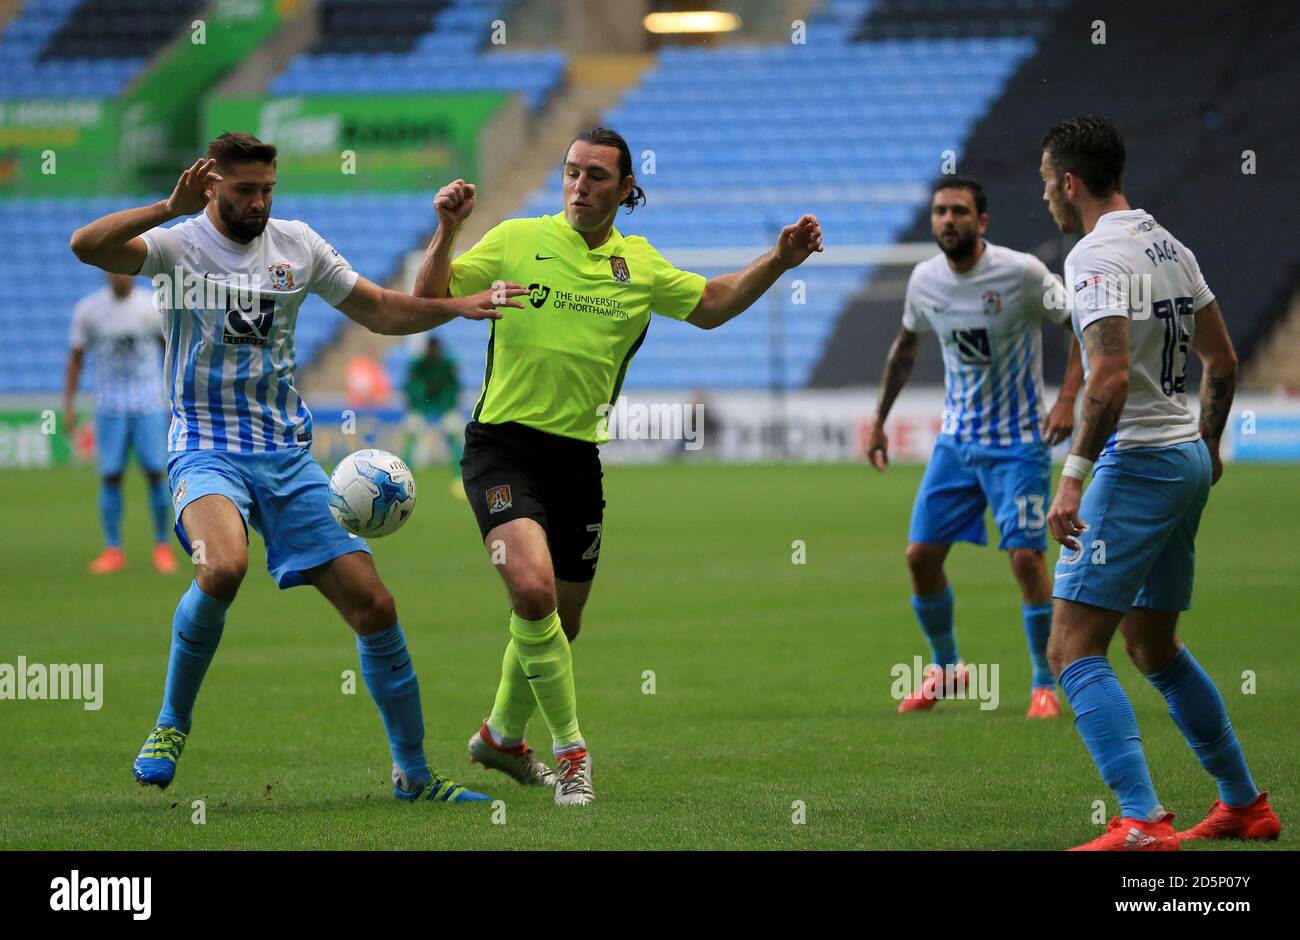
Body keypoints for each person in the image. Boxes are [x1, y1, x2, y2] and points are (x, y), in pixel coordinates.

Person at [69, 131, 527, 804]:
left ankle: (414, 776)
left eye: (267, 190)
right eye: (245, 190)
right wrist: (166, 208)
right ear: (212, 185)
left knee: (374, 605)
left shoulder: (298, 245)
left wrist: (459, 306)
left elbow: (380, 310)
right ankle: (171, 722)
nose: (258, 202)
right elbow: (88, 245)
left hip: (285, 454)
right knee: (222, 567)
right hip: (205, 448)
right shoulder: (178, 245)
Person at [413, 126, 823, 805]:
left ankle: (500, 736)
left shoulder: (639, 267)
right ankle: (572, 751)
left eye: (596, 176)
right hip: (502, 447)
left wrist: (777, 260)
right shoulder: (517, 238)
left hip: (576, 459)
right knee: (534, 594)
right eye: (572, 171)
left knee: (559, 626)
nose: (579, 185)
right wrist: (447, 230)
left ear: (626, 187)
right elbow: (430, 299)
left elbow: (713, 304)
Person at [1038, 115, 1280, 850]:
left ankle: (1142, 822)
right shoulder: (1169, 245)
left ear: (1071, 181)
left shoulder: (1094, 257)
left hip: (1136, 461)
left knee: (1073, 650)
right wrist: (1206, 447)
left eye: (1048, 181)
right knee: (1154, 647)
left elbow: (1108, 377)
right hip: (1181, 460)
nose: (1047, 193)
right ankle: (1243, 803)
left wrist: (1073, 478)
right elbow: (1225, 359)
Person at [866, 177, 1083, 718]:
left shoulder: (1023, 272)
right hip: (956, 442)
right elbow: (905, 350)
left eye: (959, 211)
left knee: (1027, 560)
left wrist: (1067, 401)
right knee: (920, 557)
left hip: (1019, 444)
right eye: (940, 211)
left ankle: (1043, 683)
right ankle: (947, 668)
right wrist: (878, 420)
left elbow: (1081, 325)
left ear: (981, 221)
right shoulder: (924, 280)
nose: (947, 220)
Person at [64, 272, 177, 574]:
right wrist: (69, 404)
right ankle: (113, 549)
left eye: (124, 269)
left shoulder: (151, 307)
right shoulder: (88, 310)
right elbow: (75, 358)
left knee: (156, 474)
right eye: (113, 268)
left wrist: (176, 396)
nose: (119, 275)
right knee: (111, 476)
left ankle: (162, 546)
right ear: (105, 271)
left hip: (149, 403)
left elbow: (170, 349)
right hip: (109, 405)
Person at [403, 335, 466, 497]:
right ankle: (403, 477)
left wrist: (449, 407)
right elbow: (410, 387)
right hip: (421, 405)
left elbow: (454, 387)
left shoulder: (448, 363)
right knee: (411, 434)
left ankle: (458, 476)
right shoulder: (418, 364)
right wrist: (416, 406)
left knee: (454, 435)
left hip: (445, 405)